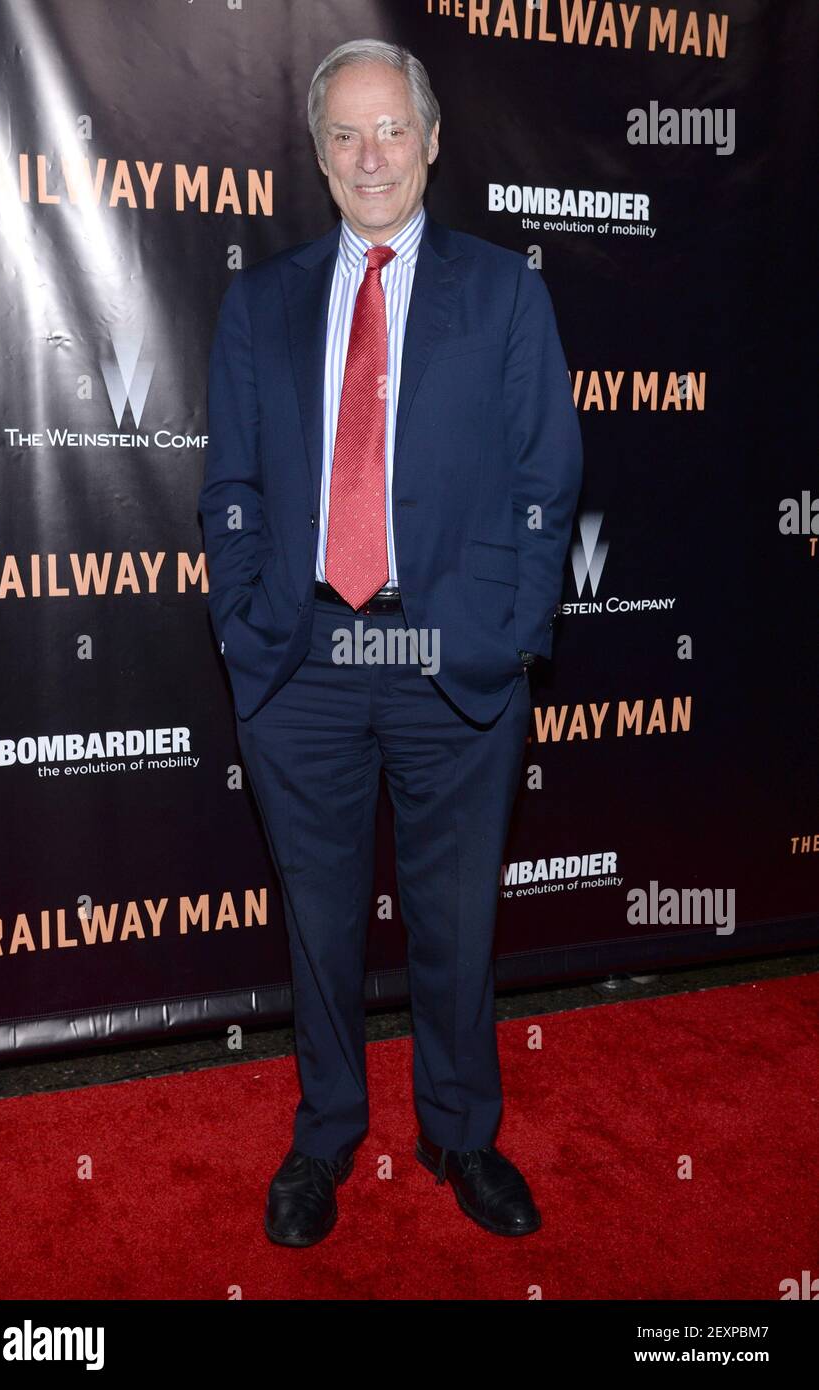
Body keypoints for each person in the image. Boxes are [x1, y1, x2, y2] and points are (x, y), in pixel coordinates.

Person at [198, 38, 583, 1247]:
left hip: (447, 662)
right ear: (319, 156)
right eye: (346, 136)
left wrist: (507, 634)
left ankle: (460, 1130)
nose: (371, 156)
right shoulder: (260, 302)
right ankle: (324, 1136)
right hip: (302, 661)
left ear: (429, 140)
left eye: (391, 130)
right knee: (318, 922)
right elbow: (229, 488)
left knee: (456, 916)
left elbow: (546, 474)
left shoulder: (504, 290)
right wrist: (248, 622)